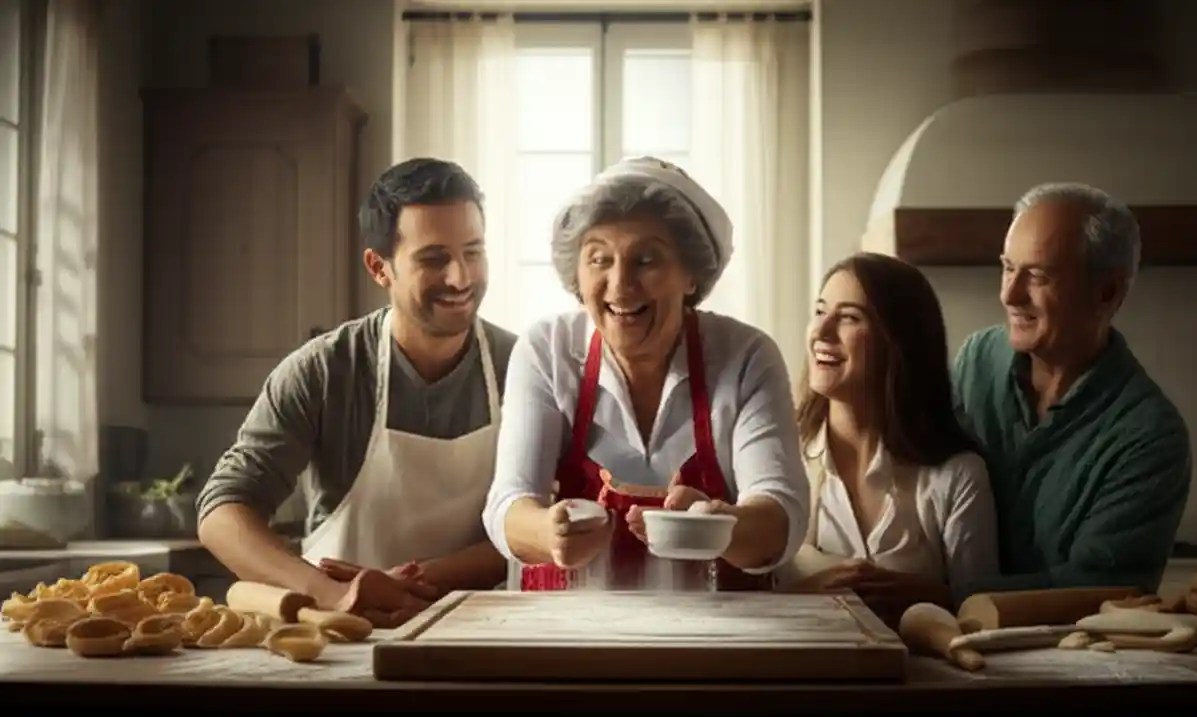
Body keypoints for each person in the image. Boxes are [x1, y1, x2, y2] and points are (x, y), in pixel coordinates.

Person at [196, 158, 517, 627]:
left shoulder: (521, 368)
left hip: (474, 633)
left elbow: (535, 525)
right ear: (378, 267)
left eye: (473, 252)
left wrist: (415, 580)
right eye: (433, 259)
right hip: (340, 637)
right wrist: (335, 594)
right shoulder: (323, 371)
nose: (460, 278)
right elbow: (223, 513)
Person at [480, 156, 809, 592]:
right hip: (567, 639)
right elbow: (509, 504)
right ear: (576, 273)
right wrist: (549, 533)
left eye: (647, 260)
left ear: (691, 272)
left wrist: (722, 527)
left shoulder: (745, 356)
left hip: (718, 644)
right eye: (599, 259)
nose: (620, 285)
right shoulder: (547, 350)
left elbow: (781, 515)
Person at [952, 182, 1192, 597]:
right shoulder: (976, 361)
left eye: (1038, 276)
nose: (1010, 295)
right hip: (939, 636)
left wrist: (937, 595)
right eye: (1008, 268)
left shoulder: (1149, 436)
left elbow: (1100, 588)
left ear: (1107, 292)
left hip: (1075, 657)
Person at [775, 253, 999, 621]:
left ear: (899, 341)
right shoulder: (781, 456)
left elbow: (983, 611)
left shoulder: (958, 476)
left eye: (849, 317)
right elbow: (741, 594)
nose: (822, 331)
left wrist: (926, 598)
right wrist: (806, 596)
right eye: (819, 311)